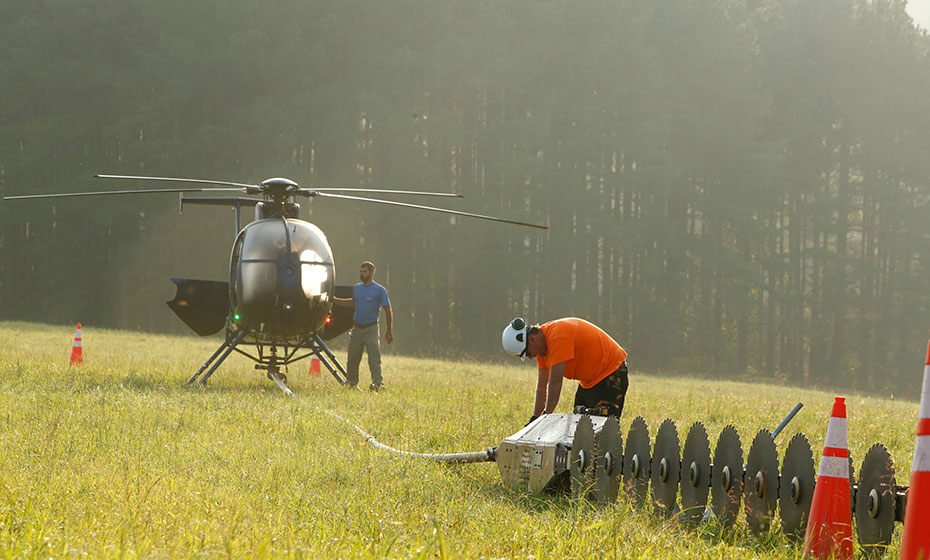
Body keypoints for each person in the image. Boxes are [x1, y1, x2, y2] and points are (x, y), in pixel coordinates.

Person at [502, 317, 629, 424]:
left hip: (612, 372)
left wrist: (547, 416)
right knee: (579, 428)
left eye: (528, 353)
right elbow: (541, 387)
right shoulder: (542, 351)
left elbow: (555, 382)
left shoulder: (557, 336)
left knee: (603, 431)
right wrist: (535, 419)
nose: (530, 357)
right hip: (590, 381)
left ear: (532, 339)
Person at [333, 261, 393, 390]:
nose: (362, 274)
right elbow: (354, 303)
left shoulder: (380, 290)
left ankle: (377, 383)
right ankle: (351, 383)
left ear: (371, 273)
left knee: (374, 357)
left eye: (364, 272)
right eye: (360, 271)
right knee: (353, 357)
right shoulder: (357, 288)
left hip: (371, 328)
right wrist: (335, 300)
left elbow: (388, 310)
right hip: (357, 329)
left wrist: (389, 331)